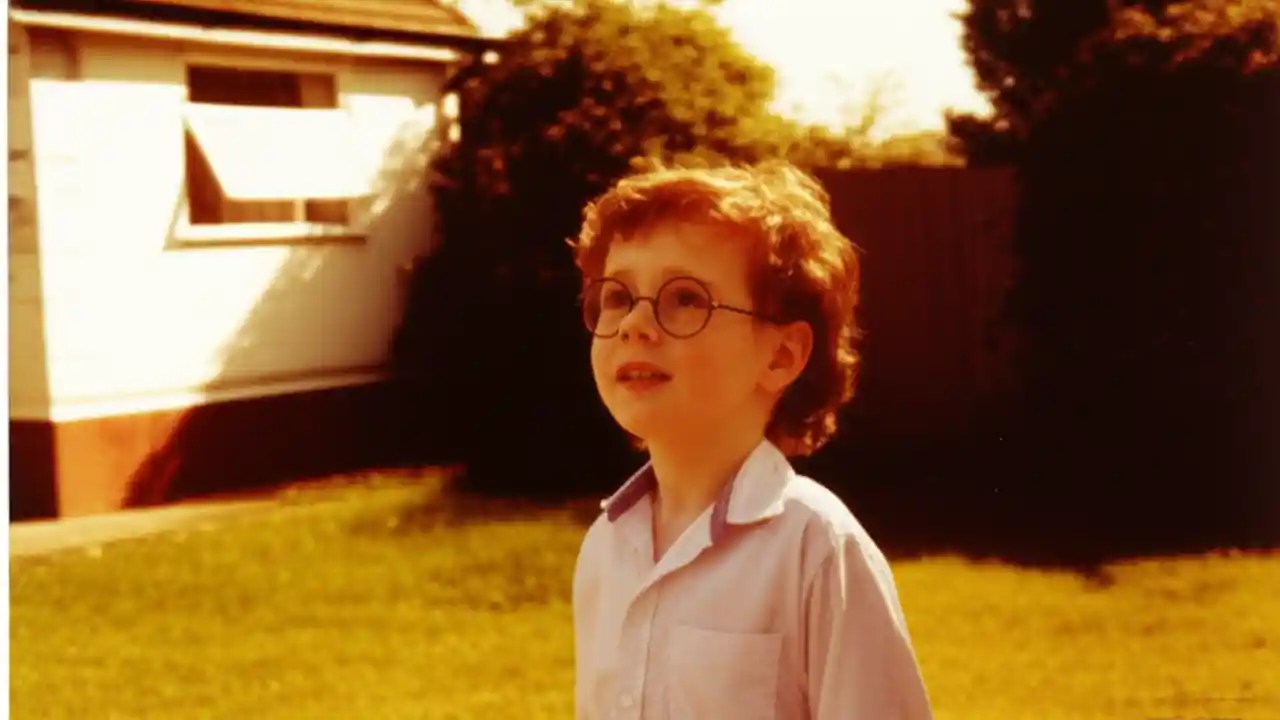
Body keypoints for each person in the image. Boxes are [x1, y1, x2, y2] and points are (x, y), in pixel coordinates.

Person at [570, 160, 935, 719]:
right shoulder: (605, 548)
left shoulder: (814, 547)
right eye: (617, 297)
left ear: (781, 355)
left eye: (685, 299)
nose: (634, 325)